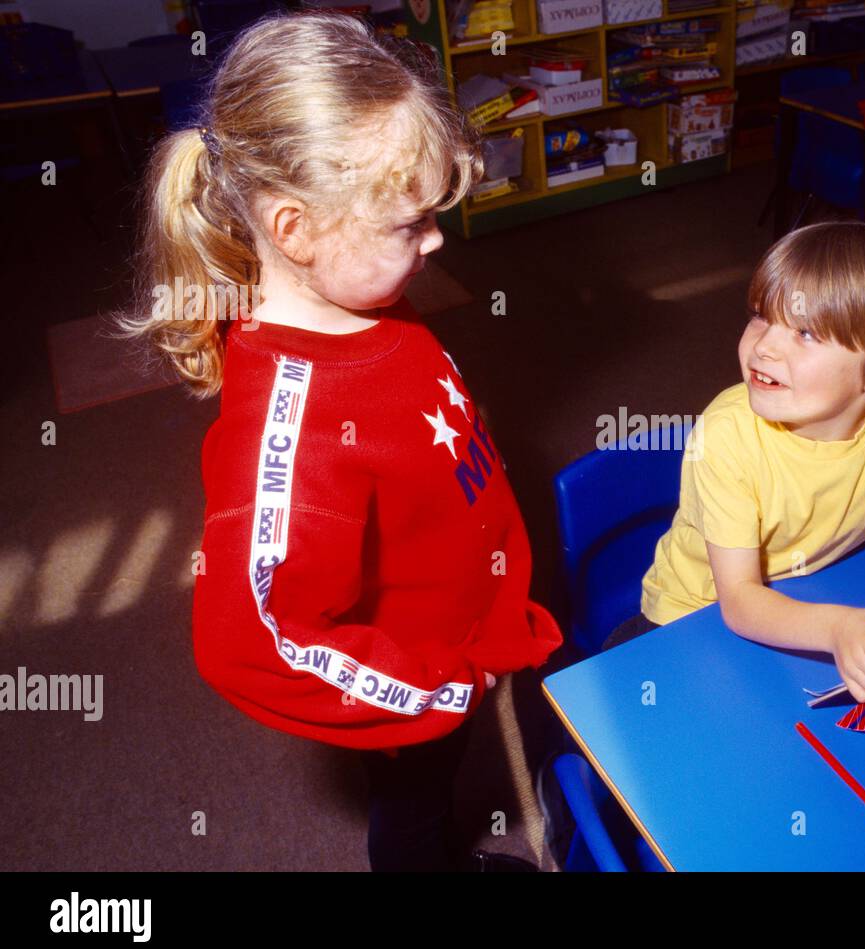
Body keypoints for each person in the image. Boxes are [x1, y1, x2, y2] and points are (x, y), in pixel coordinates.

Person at [117, 11, 561, 870]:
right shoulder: (290, 428)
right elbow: (258, 641)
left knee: (440, 777)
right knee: (415, 805)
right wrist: (439, 687)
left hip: (463, 621)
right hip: (421, 677)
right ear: (295, 229)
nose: (436, 240)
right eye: (409, 226)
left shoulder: (369, 308)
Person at [606, 222, 865, 705]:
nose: (764, 346)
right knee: (634, 712)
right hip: (694, 610)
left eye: (804, 332)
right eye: (761, 316)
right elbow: (738, 601)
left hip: (813, 584)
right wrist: (837, 626)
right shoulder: (725, 435)